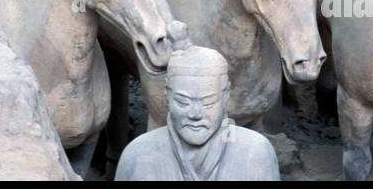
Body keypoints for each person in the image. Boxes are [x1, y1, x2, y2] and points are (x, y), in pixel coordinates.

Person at [115, 21, 279, 180]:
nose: (195, 114)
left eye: (208, 103)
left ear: (226, 95)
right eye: (183, 103)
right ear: (167, 94)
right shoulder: (138, 155)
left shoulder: (255, 152)